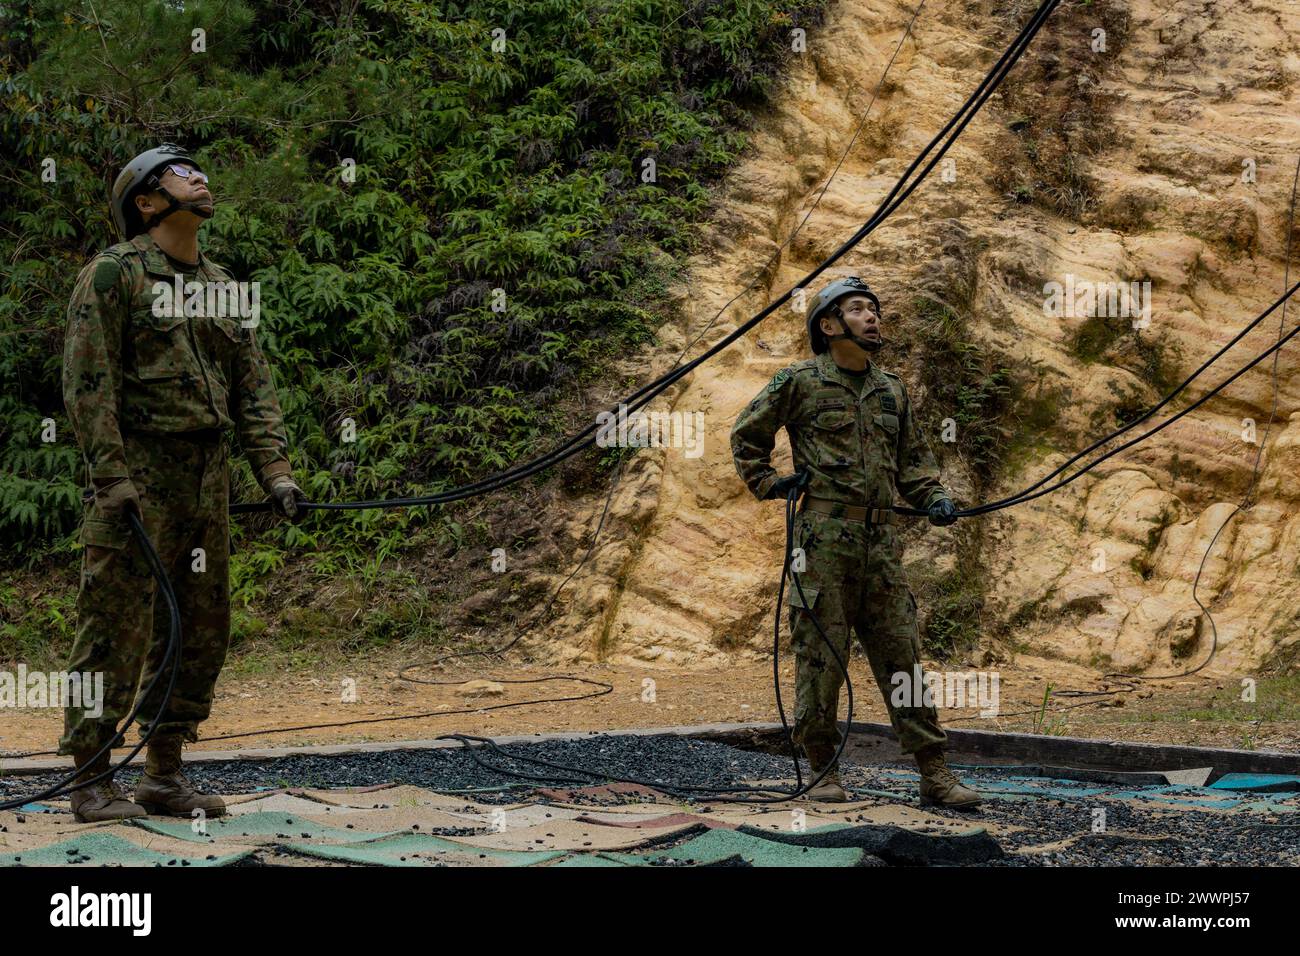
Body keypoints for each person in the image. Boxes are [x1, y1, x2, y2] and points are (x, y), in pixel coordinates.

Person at [59, 143, 307, 822]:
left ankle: (163, 774)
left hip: (208, 478)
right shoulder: (114, 276)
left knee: (200, 629)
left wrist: (276, 474)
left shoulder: (223, 283)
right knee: (113, 629)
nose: (200, 178)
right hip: (138, 477)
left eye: (199, 171)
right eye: (181, 173)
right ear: (146, 202)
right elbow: (88, 385)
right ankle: (89, 780)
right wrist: (111, 477)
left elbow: (254, 389)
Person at [730, 275, 981, 807]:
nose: (873, 318)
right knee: (821, 657)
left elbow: (915, 465)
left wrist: (934, 497)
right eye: (859, 309)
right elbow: (747, 434)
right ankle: (822, 769)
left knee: (902, 657)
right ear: (828, 324)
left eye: (875, 310)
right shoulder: (798, 382)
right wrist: (768, 483)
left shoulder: (892, 390)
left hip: (880, 544)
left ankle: (934, 773)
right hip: (821, 543)